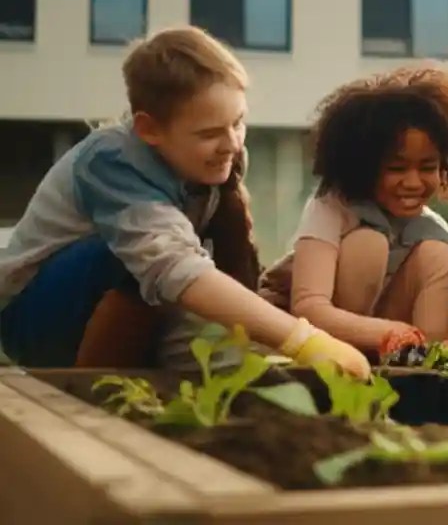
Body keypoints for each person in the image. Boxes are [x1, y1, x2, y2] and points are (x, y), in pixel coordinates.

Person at [0, 27, 369, 377]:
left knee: (184, 275)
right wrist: (303, 340)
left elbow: (206, 271)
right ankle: (92, 390)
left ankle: (169, 374)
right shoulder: (112, 162)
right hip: (37, 315)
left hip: (126, 302)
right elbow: (174, 269)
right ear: (149, 129)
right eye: (209, 133)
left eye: (238, 122)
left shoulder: (217, 158)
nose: (231, 143)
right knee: (142, 257)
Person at [259, 65, 448, 360]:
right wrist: (389, 333)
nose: (412, 182)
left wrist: (437, 343)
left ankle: (418, 372)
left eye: (427, 168)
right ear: (364, 165)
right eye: (396, 168)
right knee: (368, 243)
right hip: (312, 343)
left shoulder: (432, 231)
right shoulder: (331, 208)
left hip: (386, 348)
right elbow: (309, 307)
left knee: (439, 253)